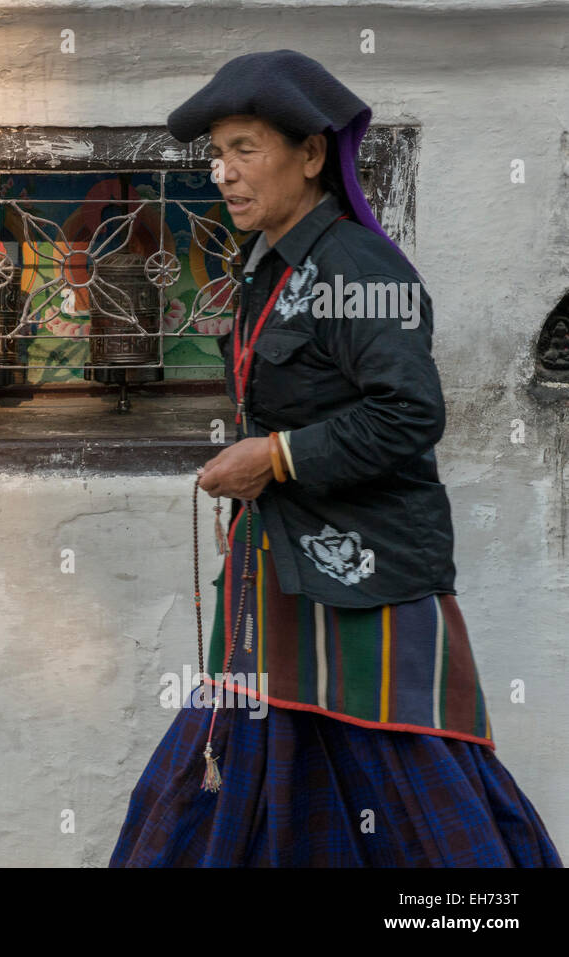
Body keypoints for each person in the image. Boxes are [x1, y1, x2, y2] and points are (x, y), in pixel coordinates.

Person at [109, 50, 562, 866]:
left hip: (369, 579)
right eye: (218, 154)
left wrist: (273, 459)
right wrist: (262, 484)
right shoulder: (268, 270)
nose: (225, 173)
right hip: (274, 570)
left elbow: (409, 414)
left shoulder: (357, 267)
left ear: (311, 154)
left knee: (411, 776)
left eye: (245, 149)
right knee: (245, 765)